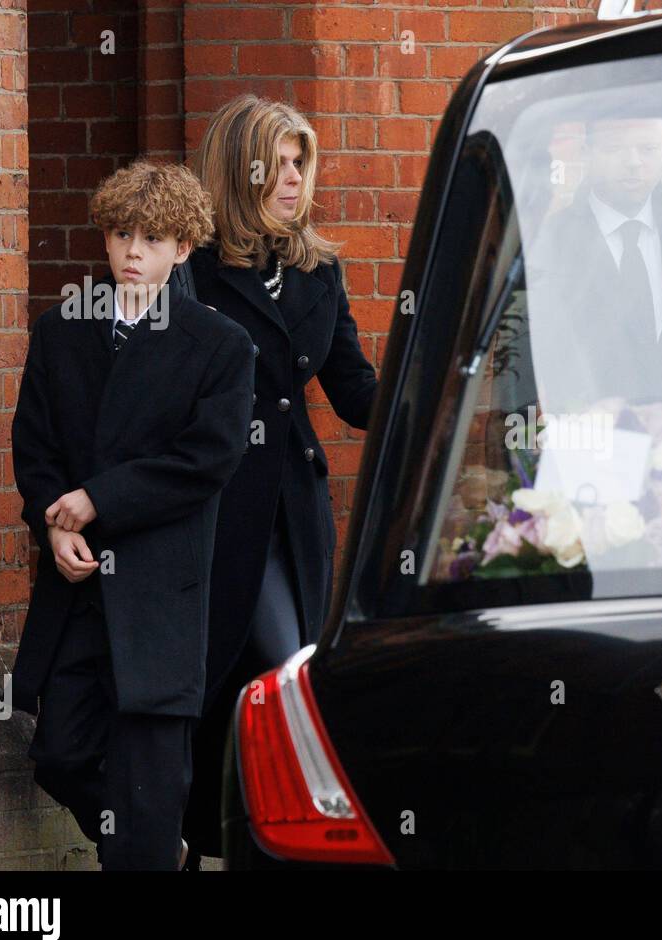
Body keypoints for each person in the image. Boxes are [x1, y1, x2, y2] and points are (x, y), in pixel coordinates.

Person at [12, 161, 255, 870]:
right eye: (121, 233)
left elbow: (207, 459)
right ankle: (161, 852)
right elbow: (35, 448)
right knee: (58, 754)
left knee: (146, 802)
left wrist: (101, 499)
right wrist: (54, 521)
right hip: (78, 594)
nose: (132, 251)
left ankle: (153, 852)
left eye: (152, 238)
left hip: (159, 599)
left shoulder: (219, 345)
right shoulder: (60, 332)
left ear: (184, 248)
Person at [180, 95, 378, 865]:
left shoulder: (318, 270)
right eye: (279, 163)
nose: (293, 177)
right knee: (254, 674)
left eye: (302, 162)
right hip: (216, 511)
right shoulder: (190, 271)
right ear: (242, 170)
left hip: (294, 519)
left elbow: (357, 392)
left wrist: (438, 397)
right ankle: (210, 835)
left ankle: (249, 846)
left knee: (282, 678)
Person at [526, 116, 662, 414]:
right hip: (585, 440)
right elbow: (523, 361)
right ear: (587, 153)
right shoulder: (548, 244)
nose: (634, 162)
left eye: (648, 148)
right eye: (614, 149)